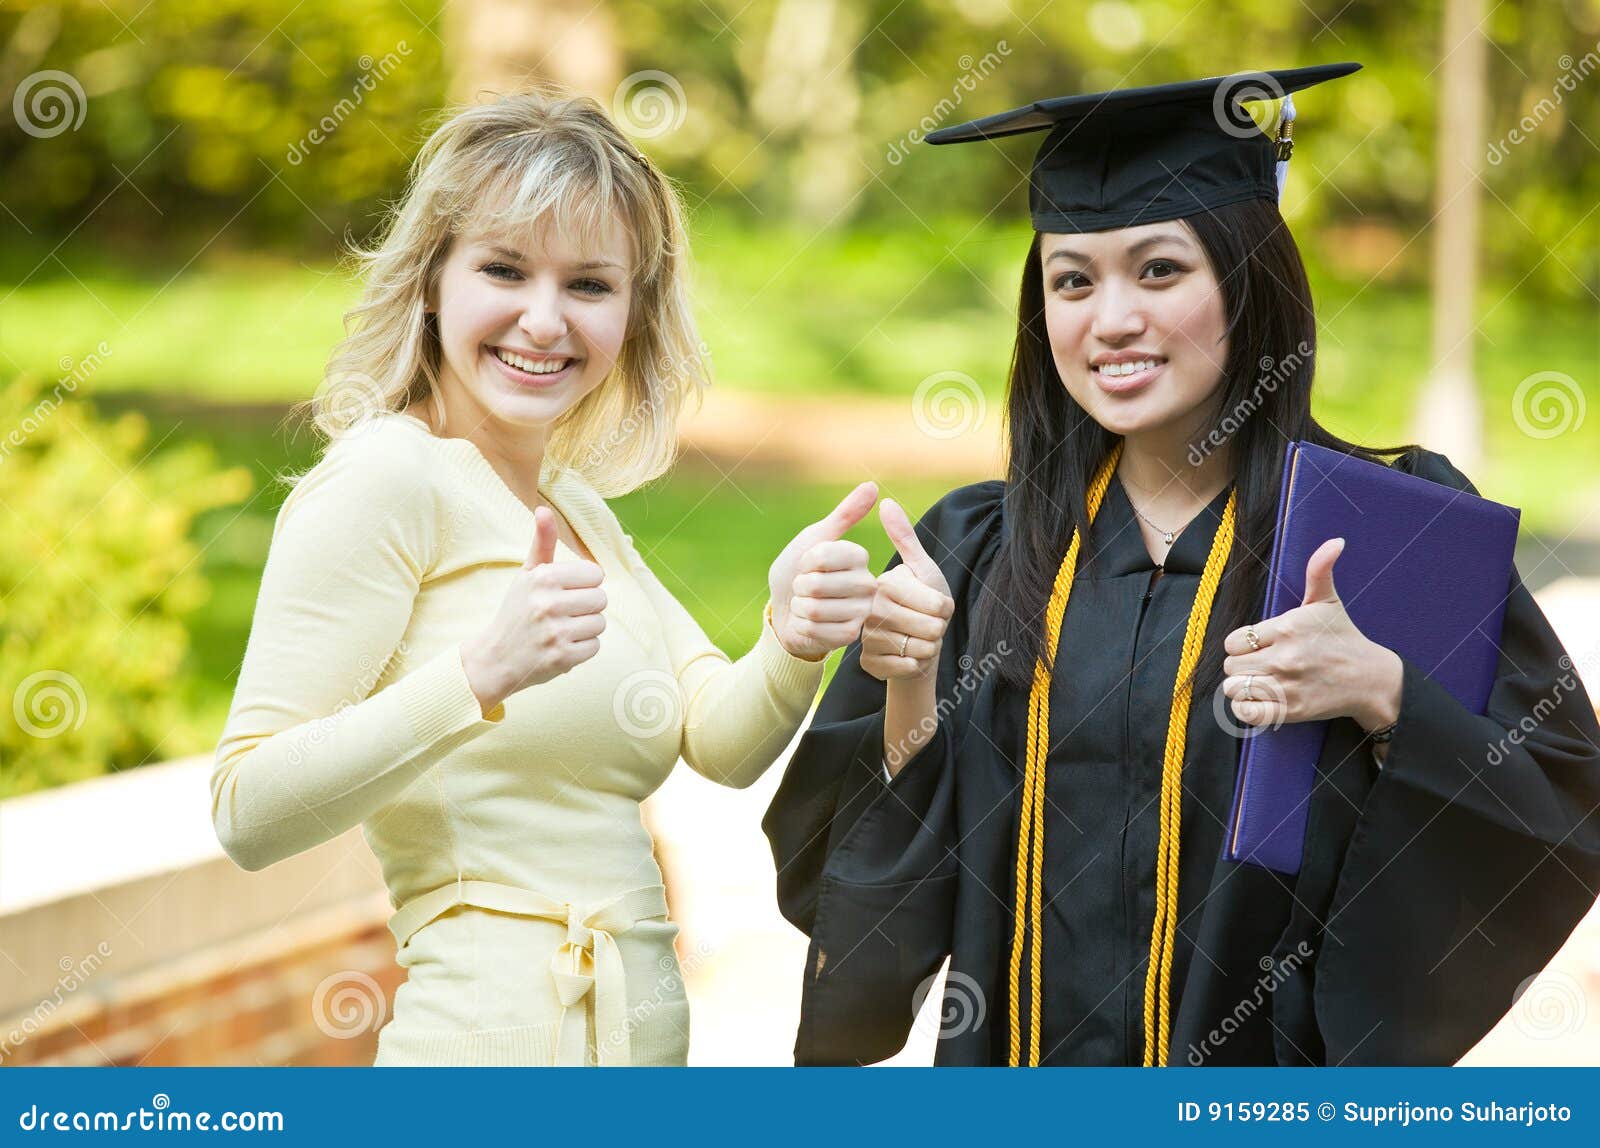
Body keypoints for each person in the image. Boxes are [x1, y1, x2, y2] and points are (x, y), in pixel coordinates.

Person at [763, 64, 1600, 1066]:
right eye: (1071, 279)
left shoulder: (1383, 536)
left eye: (1159, 270)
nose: (1109, 318)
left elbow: (1553, 809)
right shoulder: (979, 549)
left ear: (1247, 280)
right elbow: (866, 910)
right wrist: (906, 687)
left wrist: (1383, 691)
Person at [210, 89, 878, 1065]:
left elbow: (717, 739)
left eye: (590, 285)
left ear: (633, 310)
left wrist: (789, 632)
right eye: (505, 269)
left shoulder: (576, 512)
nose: (543, 319)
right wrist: (476, 675)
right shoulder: (387, 478)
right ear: (434, 280)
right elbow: (247, 810)